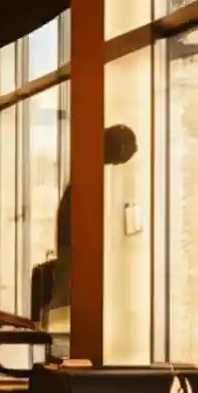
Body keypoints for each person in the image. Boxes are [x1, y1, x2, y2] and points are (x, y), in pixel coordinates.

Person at [45, 124, 139, 310]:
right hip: (74, 241)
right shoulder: (87, 173)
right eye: (119, 159)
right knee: (65, 292)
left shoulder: (86, 164)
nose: (116, 164)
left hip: (73, 240)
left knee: (66, 289)